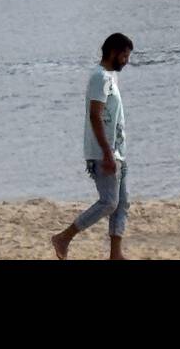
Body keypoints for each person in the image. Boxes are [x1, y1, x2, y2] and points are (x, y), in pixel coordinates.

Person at [51, 33, 133, 260]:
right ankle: (63, 237)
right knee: (109, 202)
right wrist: (106, 152)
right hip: (103, 152)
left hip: (117, 151)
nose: (126, 60)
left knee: (122, 204)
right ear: (114, 53)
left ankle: (115, 255)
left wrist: (116, 152)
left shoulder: (109, 77)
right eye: (125, 55)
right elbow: (95, 116)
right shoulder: (100, 77)